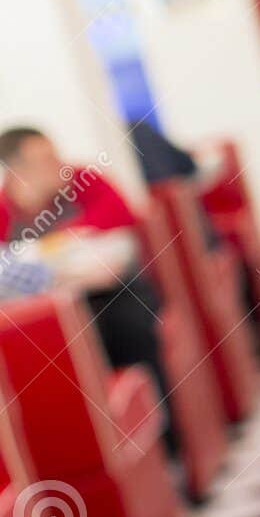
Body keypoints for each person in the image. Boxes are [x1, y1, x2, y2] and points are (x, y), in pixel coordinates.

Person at [0, 127, 177, 457]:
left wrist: (53, 250)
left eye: (55, 154)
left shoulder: (84, 182)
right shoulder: (4, 212)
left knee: (127, 325)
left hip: (110, 295)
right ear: (17, 172)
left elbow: (119, 225)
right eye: (46, 160)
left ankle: (166, 447)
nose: (59, 164)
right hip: (47, 315)